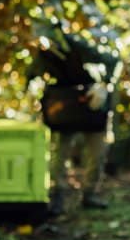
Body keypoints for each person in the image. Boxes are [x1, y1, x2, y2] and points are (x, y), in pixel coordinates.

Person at [29, 22, 122, 215]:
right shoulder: (44, 53)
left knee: (97, 152)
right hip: (63, 107)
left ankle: (90, 194)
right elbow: (31, 74)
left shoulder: (77, 45)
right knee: (59, 154)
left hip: (90, 103)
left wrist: (104, 85)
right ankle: (58, 196)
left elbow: (113, 61)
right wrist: (31, 91)